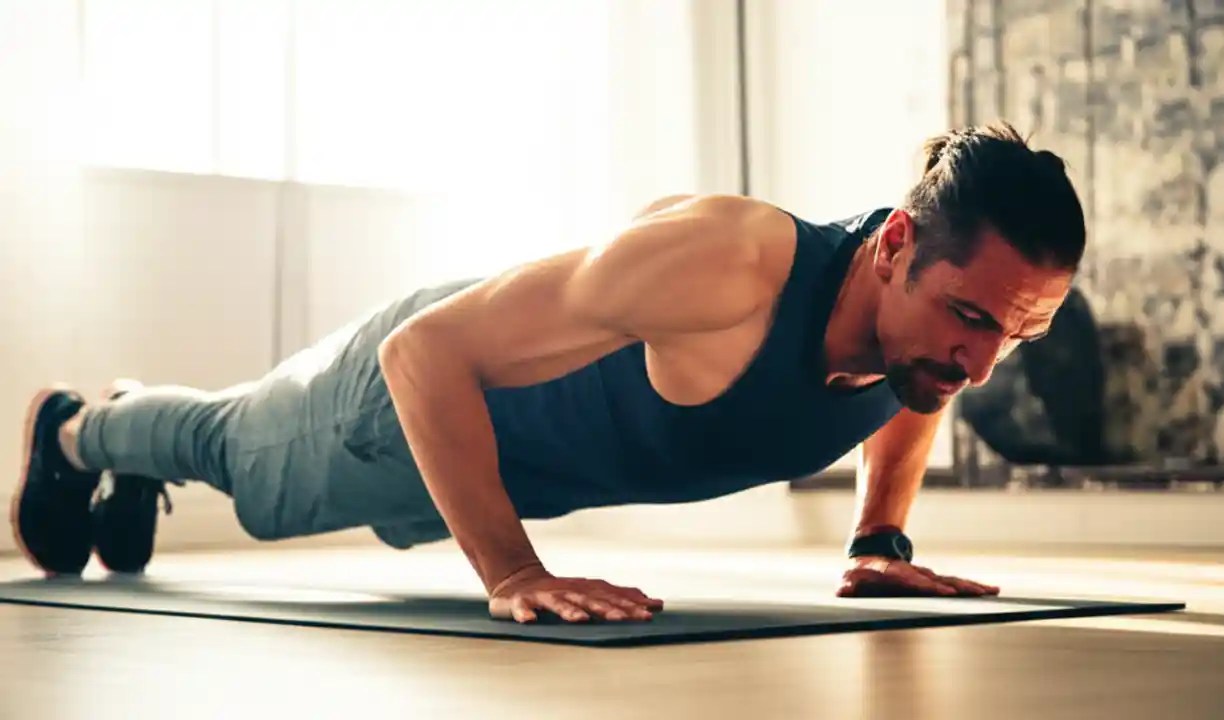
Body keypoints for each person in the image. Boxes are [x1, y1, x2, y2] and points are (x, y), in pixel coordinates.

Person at [13, 121, 1085, 624]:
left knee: (241, 460)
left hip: (493, 463)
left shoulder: (920, 340)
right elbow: (423, 353)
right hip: (406, 406)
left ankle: (113, 439)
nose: (976, 361)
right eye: (966, 318)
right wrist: (511, 574)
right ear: (895, 243)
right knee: (242, 464)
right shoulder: (733, 264)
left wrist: (878, 540)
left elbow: (914, 387)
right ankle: (77, 428)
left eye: (1012, 335)